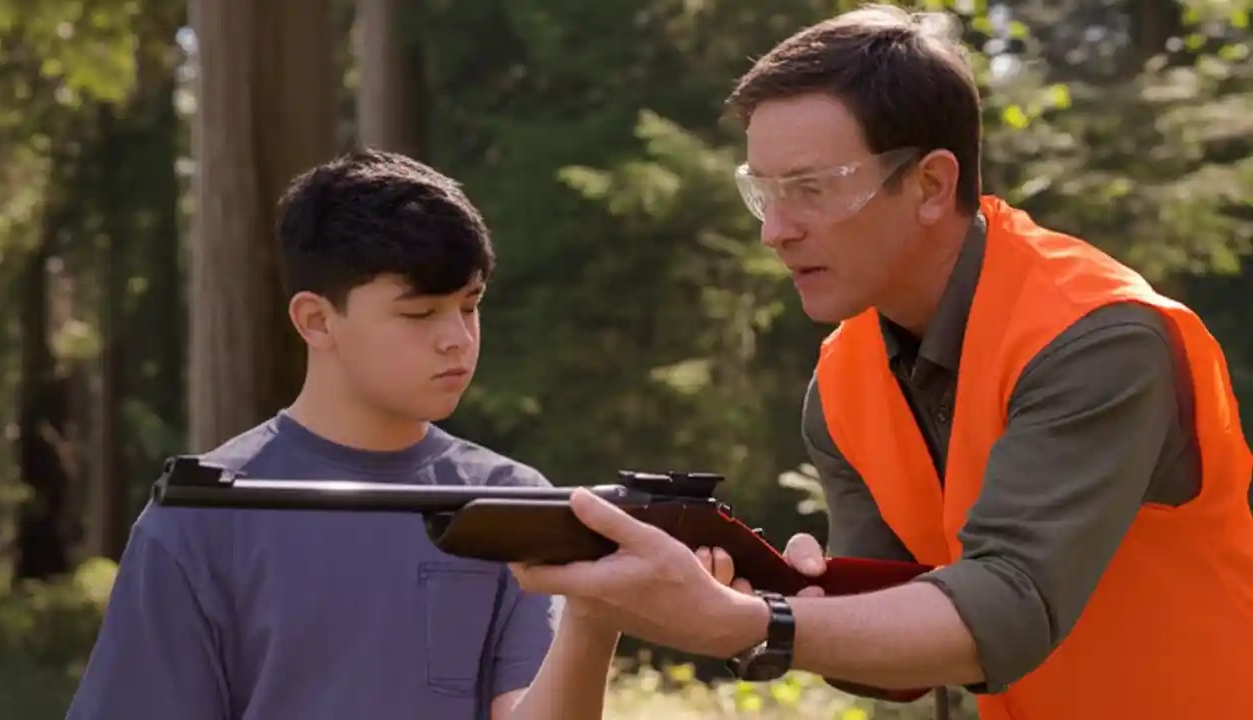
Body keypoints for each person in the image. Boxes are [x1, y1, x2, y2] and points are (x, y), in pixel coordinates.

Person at [508, 6, 1253, 720]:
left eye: (809, 189)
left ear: (931, 184)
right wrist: (789, 596)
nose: (774, 230)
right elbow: (893, 663)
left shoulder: (1097, 338)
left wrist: (745, 621)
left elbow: (1008, 608)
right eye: (762, 192)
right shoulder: (840, 382)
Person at [65, 149, 626, 720]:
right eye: (420, 313)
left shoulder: (515, 507)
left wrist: (596, 613)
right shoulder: (202, 517)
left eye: (470, 305)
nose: (457, 338)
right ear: (316, 319)